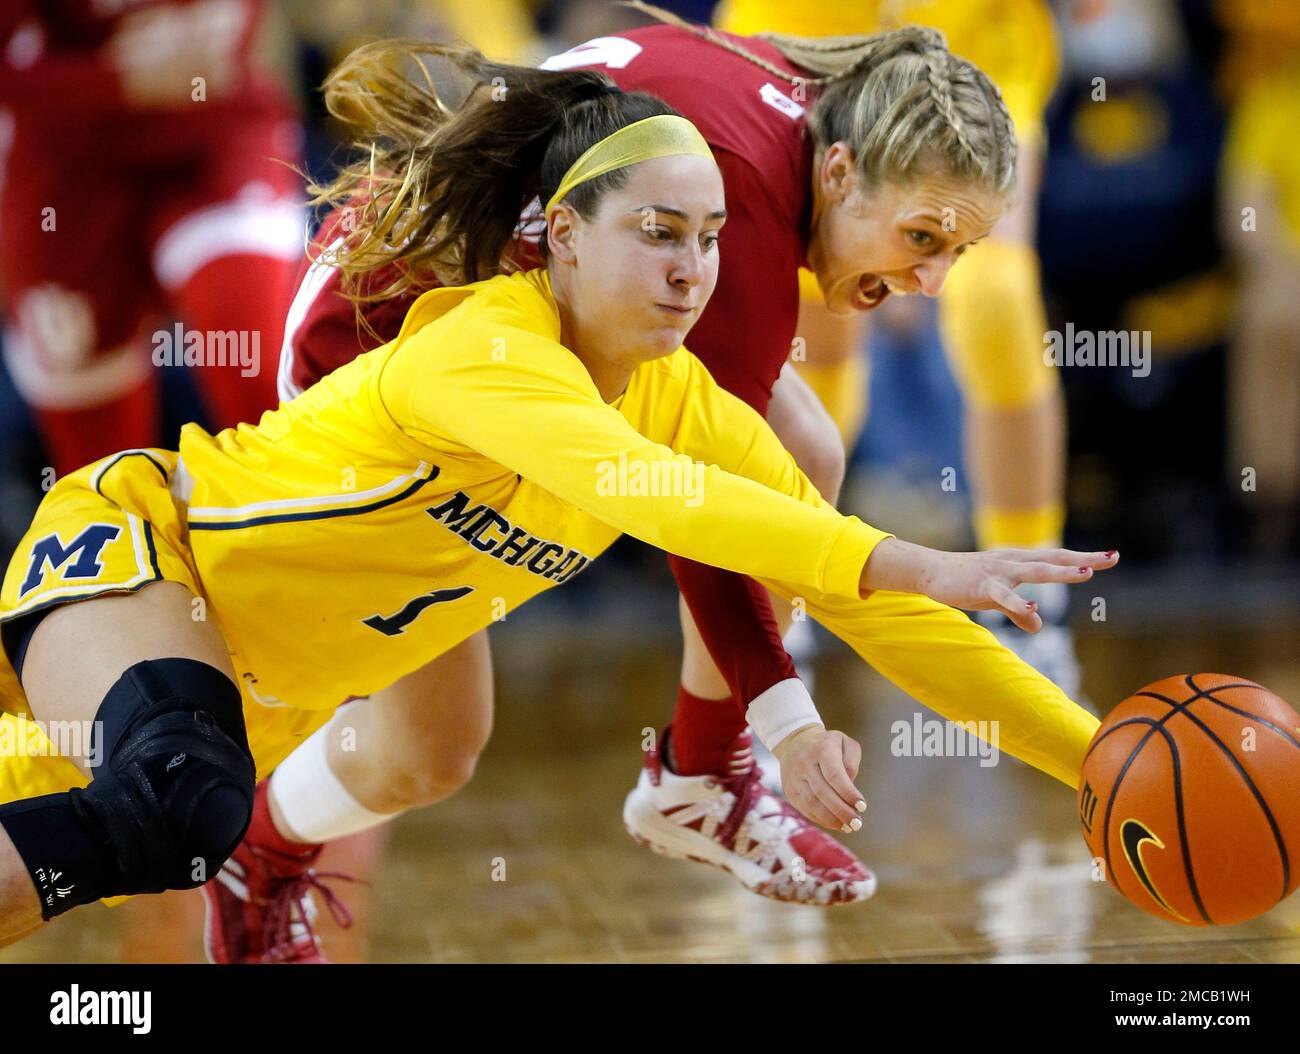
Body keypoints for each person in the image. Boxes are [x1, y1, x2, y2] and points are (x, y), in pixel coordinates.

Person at [0, 72, 1115, 954]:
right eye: (658, 233)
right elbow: (655, 495)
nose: (692, 270)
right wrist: (915, 561)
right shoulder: (484, 343)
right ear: (563, 236)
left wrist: (1099, 765)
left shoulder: (680, 398)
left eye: (713, 237)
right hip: (146, 563)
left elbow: (855, 602)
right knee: (178, 802)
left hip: (266, 690)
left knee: (198, 800)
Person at [243, 17, 1042, 954]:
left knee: (803, 449)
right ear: (839, 172)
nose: (933, 281)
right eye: (920, 238)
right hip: (376, 349)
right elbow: (702, 514)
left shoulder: (792, 103)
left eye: (958, 251)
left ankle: (699, 779)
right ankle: (253, 850)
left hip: (484, 314)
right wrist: (790, 722)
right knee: (431, 749)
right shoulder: (735, 198)